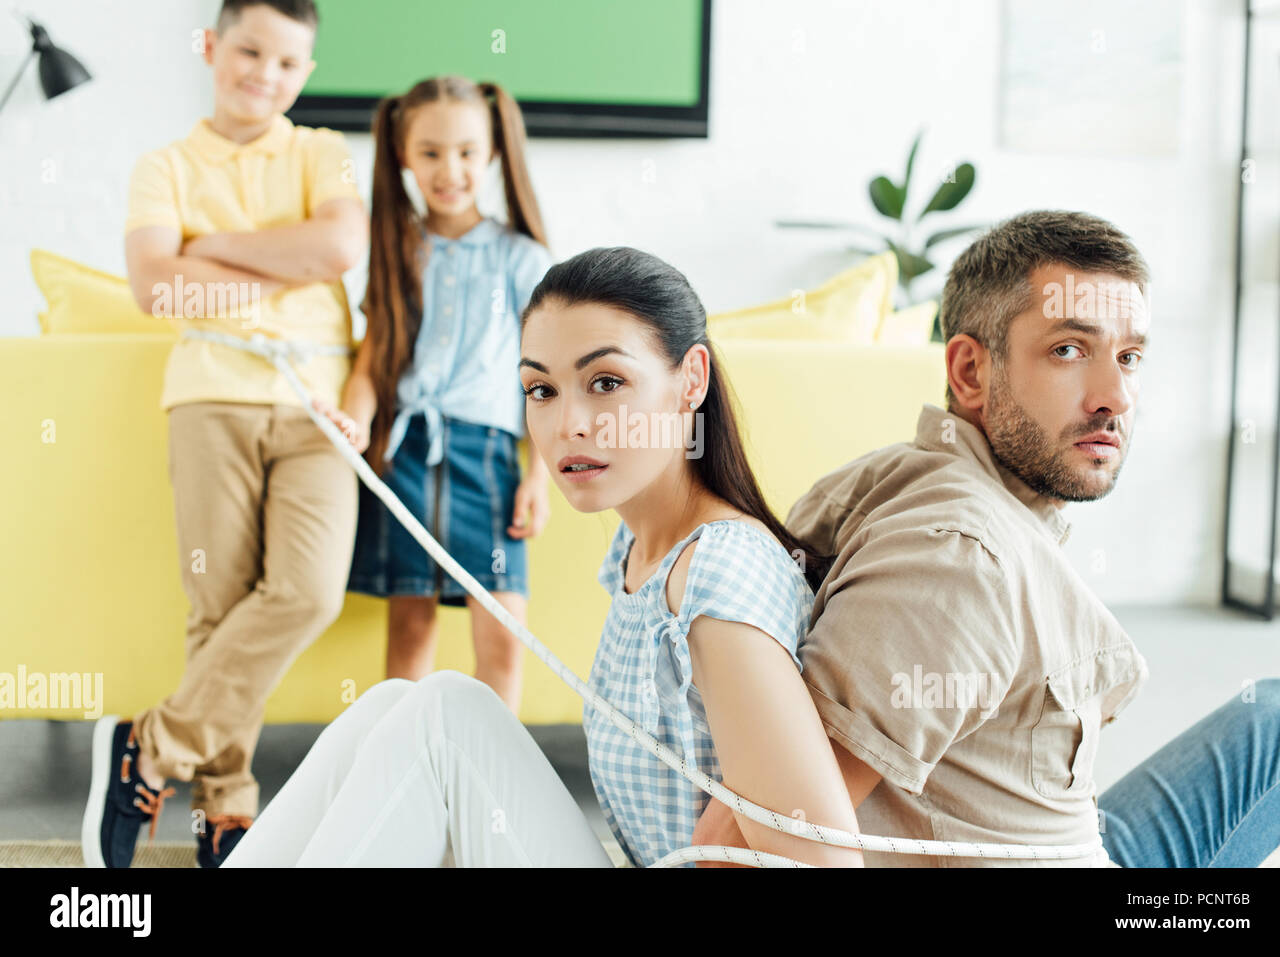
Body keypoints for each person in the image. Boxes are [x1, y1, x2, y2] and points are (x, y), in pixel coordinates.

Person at [691, 209, 1280, 867]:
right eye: (1069, 349)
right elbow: (738, 843)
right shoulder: (957, 558)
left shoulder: (910, 477)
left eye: (1129, 357)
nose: (1115, 396)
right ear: (971, 372)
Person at [224, 246, 863, 867]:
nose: (569, 424)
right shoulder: (639, 553)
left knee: (446, 714)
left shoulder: (717, 568)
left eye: (605, 382)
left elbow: (824, 859)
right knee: (395, 704)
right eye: (541, 390)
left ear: (690, 381)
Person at [83, 0, 366, 869]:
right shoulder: (162, 165)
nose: (265, 75)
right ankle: (227, 810)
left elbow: (339, 250)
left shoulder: (321, 151)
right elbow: (157, 288)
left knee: (307, 590)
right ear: (211, 46)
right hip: (211, 398)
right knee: (220, 603)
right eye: (250, 52)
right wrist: (284, 255)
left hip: (318, 407)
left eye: (288, 64)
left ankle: (148, 747)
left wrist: (212, 248)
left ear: (307, 74)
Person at [312, 76, 553, 712]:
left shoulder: (521, 258)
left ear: (494, 153)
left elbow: (548, 381)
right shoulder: (394, 249)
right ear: (402, 157)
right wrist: (355, 423)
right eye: (430, 153)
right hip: (407, 454)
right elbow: (373, 361)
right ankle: (407, 774)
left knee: (501, 636)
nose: (450, 170)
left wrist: (540, 477)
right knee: (411, 629)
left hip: (490, 462)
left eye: (468, 152)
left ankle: (488, 786)